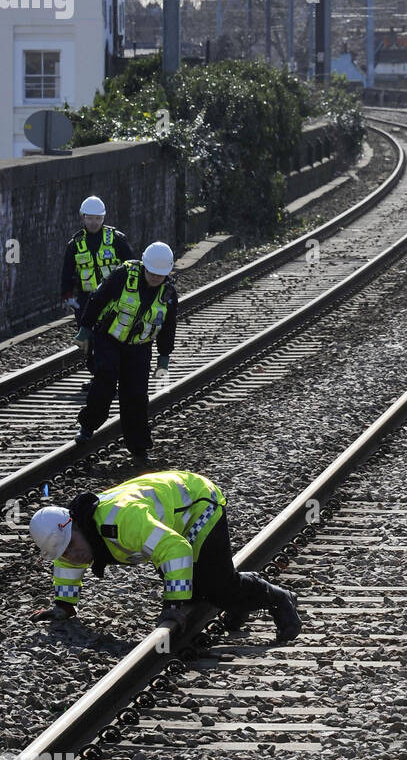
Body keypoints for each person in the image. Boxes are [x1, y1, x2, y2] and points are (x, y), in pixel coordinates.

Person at [27, 469, 300, 643]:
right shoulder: (72, 537)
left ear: (76, 525)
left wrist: (173, 605)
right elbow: (65, 564)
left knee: (213, 588)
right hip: (166, 516)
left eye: (72, 546)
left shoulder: (123, 523)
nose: (73, 555)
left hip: (196, 503)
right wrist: (63, 605)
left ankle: (278, 597)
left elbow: (175, 549)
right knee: (196, 586)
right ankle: (237, 598)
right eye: (64, 552)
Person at [74, 241, 178, 463]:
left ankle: (139, 447)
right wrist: (85, 330)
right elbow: (97, 299)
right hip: (108, 339)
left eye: (160, 274)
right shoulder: (123, 275)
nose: (155, 278)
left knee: (136, 395)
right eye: (151, 273)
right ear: (144, 266)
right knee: (105, 378)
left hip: (139, 348)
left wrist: (164, 359)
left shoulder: (169, 294)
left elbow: (168, 328)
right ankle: (88, 425)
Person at [60, 195, 133, 387]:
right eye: (90, 218)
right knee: (88, 340)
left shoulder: (117, 239)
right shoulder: (75, 244)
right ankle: (98, 376)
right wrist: (68, 298)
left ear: (104, 218)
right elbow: (67, 274)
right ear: (82, 218)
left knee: (115, 336)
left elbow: (132, 265)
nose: (94, 222)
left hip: (114, 298)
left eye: (98, 218)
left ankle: (115, 375)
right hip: (86, 300)